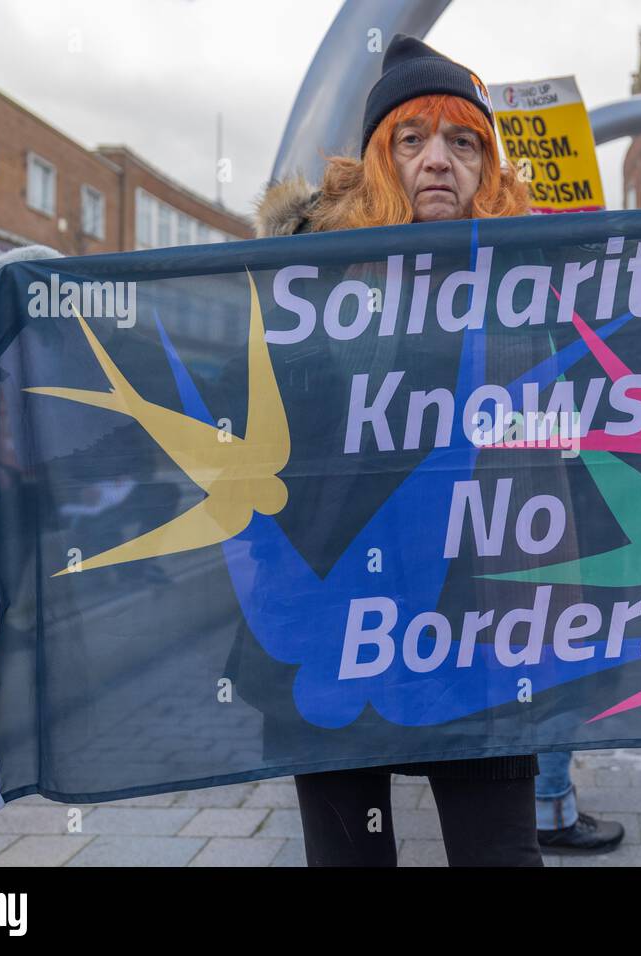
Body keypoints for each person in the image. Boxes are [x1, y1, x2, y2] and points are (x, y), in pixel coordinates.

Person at [255, 33, 551, 867]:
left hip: (481, 625)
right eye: (411, 139)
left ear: (487, 166)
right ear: (379, 157)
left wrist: (551, 602)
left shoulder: (524, 273)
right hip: (338, 622)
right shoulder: (307, 276)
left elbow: (546, 453)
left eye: (463, 142)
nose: (437, 162)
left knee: (501, 855)